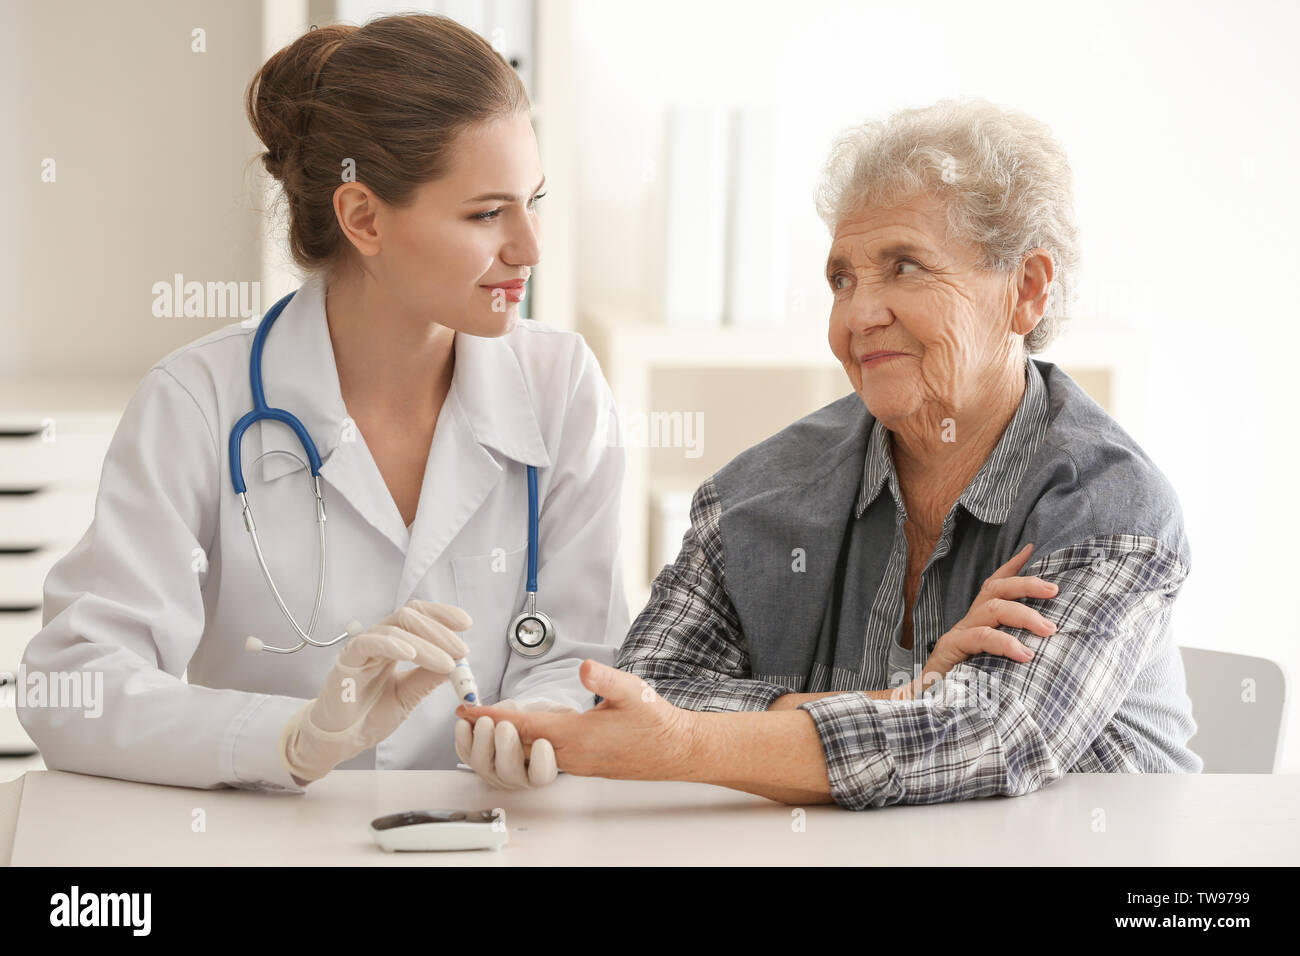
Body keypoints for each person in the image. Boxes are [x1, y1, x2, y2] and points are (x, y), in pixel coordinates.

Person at [458, 97, 1201, 809]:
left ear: (1027, 290)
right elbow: (650, 688)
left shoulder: (1107, 505)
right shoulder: (756, 494)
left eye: (904, 266)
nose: (857, 316)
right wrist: (899, 702)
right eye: (842, 279)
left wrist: (694, 742)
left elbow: (994, 734)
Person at [18, 14, 629, 793]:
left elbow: (583, 656)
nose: (530, 246)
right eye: (486, 213)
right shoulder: (198, 401)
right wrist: (291, 740)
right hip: (265, 842)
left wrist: (534, 723)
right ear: (364, 217)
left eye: (533, 200)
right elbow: (73, 688)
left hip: (492, 836)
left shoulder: (563, 386)